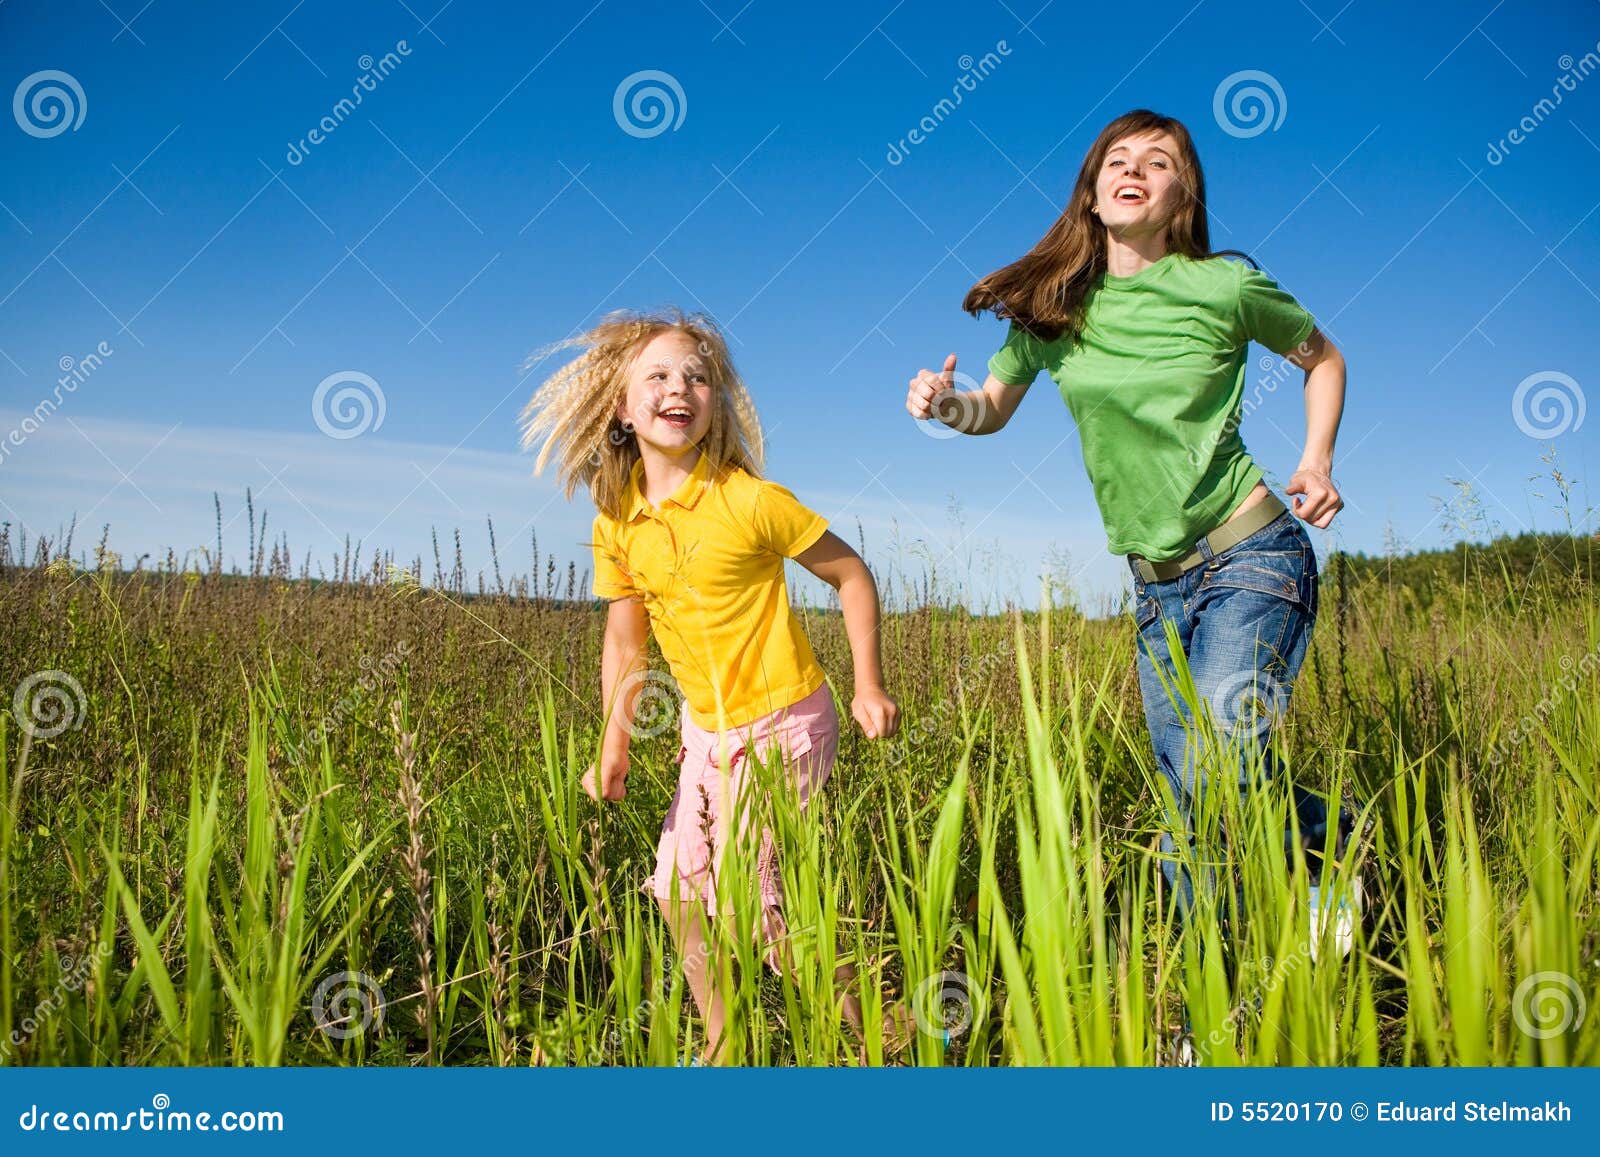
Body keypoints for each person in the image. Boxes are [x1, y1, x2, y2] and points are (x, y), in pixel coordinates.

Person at [904, 108, 1359, 1032]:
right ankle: (1336, 838)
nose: (1134, 172)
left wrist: (1315, 460)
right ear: (1092, 187)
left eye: (1159, 162)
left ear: (1183, 194)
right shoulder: (1054, 309)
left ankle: (1206, 1019)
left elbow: (1324, 356)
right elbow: (992, 408)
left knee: (1216, 768)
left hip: (1253, 556)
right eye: (1118, 160)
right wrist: (946, 406)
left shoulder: (1225, 285)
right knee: (1194, 789)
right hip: (1156, 589)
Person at [522, 309, 901, 1064]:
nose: (680, 387)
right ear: (621, 408)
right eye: (658, 375)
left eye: (698, 376)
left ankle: (881, 1037)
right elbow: (627, 643)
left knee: (757, 906)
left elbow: (850, 573)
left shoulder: (749, 500)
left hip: (787, 718)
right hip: (707, 731)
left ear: (715, 403)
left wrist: (869, 682)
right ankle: (727, 1043)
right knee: (676, 893)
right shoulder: (617, 520)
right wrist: (614, 746)